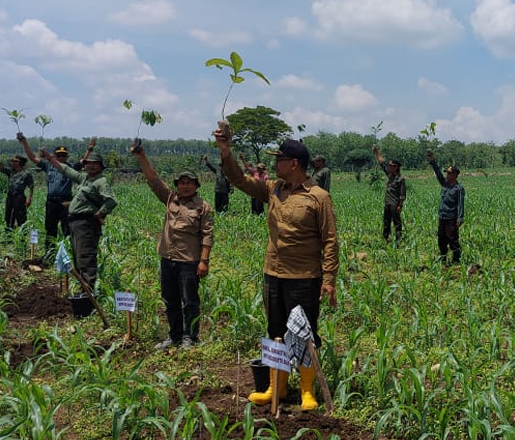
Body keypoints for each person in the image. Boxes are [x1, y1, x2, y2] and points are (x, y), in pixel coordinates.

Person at [214, 132, 339, 411]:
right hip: (273, 274)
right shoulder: (273, 189)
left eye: (279, 159)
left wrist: (329, 279)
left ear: (294, 163)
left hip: (305, 276)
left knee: (305, 333)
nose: (275, 164)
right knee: (275, 331)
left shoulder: (318, 197)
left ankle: (307, 390)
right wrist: (226, 151)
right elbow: (239, 180)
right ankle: (277, 386)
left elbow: (330, 240)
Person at [131, 144, 214, 350]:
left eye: (189, 183)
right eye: (182, 182)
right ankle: (175, 335)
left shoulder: (203, 207)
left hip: (189, 261)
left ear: (196, 185)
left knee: (190, 301)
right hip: (167, 259)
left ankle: (190, 337)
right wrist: (141, 157)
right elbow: (153, 179)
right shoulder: (170, 198)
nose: (185, 186)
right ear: (177, 185)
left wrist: (204, 261)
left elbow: (207, 235)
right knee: (170, 299)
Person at [39, 149, 116, 292]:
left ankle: (89, 291)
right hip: (76, 223)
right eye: (88, 163)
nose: (91, 166)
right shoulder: (84, 178)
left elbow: (111, 201)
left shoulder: (101, 182)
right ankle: (84, 289)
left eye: (95, 164)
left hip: (87, 223)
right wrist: (50, 158)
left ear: (100, 166)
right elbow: (66, 169)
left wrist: (99, 214)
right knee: (78, 256)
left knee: (85, 256)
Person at [18, 133, 95, 256]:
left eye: (64, 155)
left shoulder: (70, 167)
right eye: (59, 155)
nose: (61, 157)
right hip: (51, 202)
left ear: (67, 157)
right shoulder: (48, 166)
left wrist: (89, 150)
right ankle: (50, 254)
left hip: (66, 203)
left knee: (67, 229)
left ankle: (69, 254)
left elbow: (83, 162)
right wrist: (24, 142)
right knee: (50, 230)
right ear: (54, 156)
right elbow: (33, 158)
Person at [426, 150, 465, 264]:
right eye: (447, 173)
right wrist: (433, 161)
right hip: (442, 217)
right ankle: (443, 258)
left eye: (449, 173)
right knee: (441, 239)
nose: (446, 175)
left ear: (454, 175)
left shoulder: (458, 188)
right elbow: (438, 173)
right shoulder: (445, 184)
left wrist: (460, 219)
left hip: (451, 218)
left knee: (453, 240)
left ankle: (456, 260)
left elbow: (461, 205)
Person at [0, 149, 34, 230]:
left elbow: (31, 186)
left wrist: (29, 198)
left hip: (19, 197)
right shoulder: (11, 172)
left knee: (20, 216)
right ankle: (9, 234)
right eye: (13, 161)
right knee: (8, 216)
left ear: (20, 163)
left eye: (15, 161)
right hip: (10, 196)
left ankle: (22, 235)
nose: (13, 163)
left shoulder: (26, 174)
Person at [372, 145, 406, 243]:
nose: (388, 167)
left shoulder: (400, 179)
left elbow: (402, 194)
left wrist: (400, 205)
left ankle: (398, 240)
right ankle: (386, 238)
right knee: (386, 222)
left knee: (397, 223)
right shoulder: (390, 176)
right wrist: (377, 152)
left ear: (396, 167)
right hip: (387, 203)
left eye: (391, 166)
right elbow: (382, 163)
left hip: (395, 204)